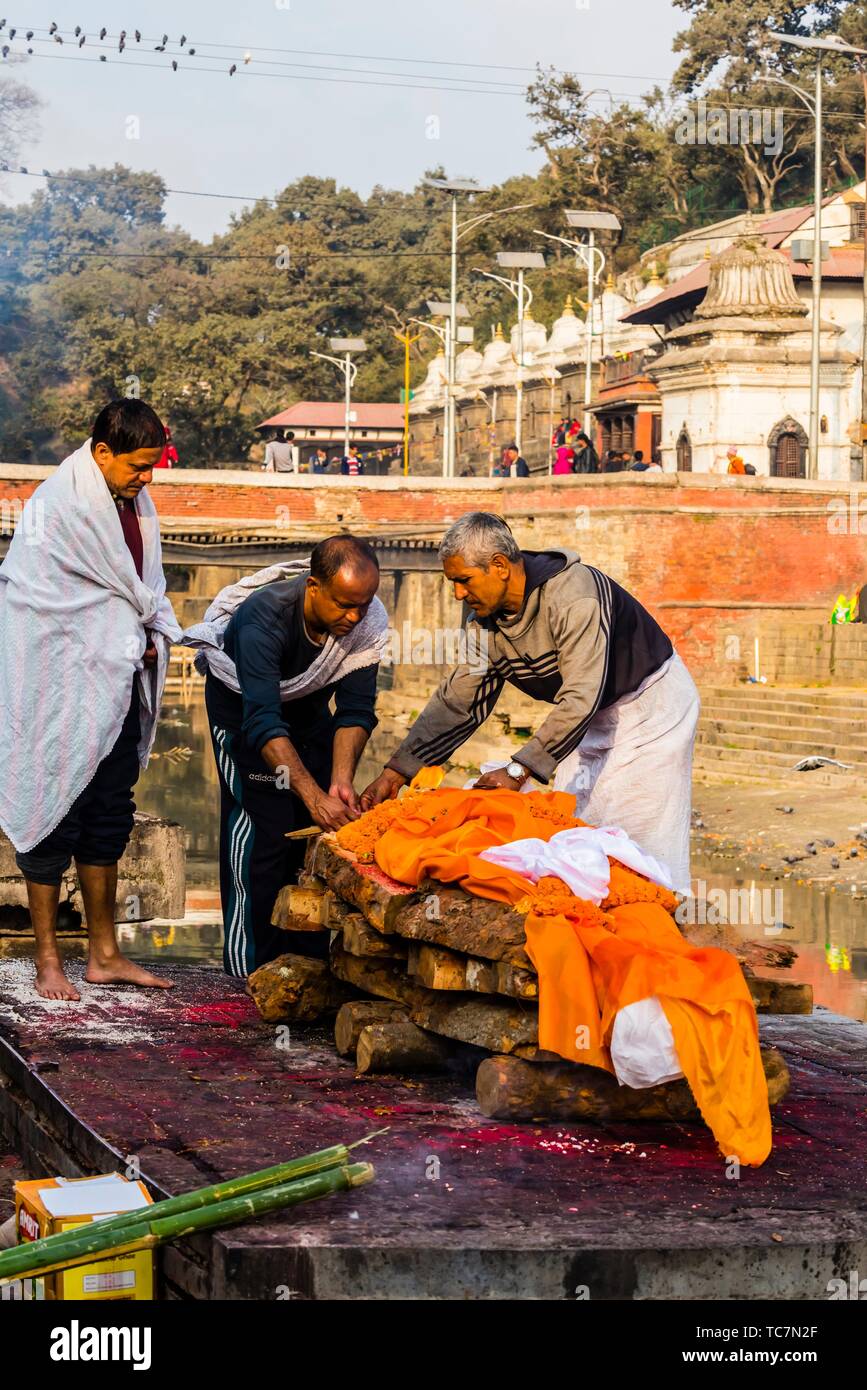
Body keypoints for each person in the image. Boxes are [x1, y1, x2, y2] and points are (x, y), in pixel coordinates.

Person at [361, 513, 699, 894]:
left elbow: (582, 692)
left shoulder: (575, 594)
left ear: (500, 566)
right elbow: (459, 700)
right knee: (579, 833)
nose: (458, 594)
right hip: (590, 716)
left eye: (463, 581)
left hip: (650, 708)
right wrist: (398, 770)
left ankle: (662, 927)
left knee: (634, 845)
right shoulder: (482, 623)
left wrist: (518, 771)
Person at [0, 399, 181, 1000]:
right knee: (54, 815)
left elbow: (138, 590)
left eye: (154, 466)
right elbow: (37, 604)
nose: (147, 477)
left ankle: (104, 955)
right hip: (58, 689)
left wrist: (145, 636)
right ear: (101, 453)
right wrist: (119, 636)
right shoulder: (58, 505)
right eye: (137, 465)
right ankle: (49, 960)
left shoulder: (137, 503)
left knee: (109, 813)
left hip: (117, 684)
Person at [182, 536, 386, 978]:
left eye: (363, 606)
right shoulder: (264, 619)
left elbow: (355, 710)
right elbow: (263, 723)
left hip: (309, 720)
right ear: (313, 586)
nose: (355, 618)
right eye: (344, 606)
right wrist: (314, 797)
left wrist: (339, 783)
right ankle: (249, 973)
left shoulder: (367, 619)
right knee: (264, 840)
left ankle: (305, 973)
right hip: (246, 721)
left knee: (313, 845)